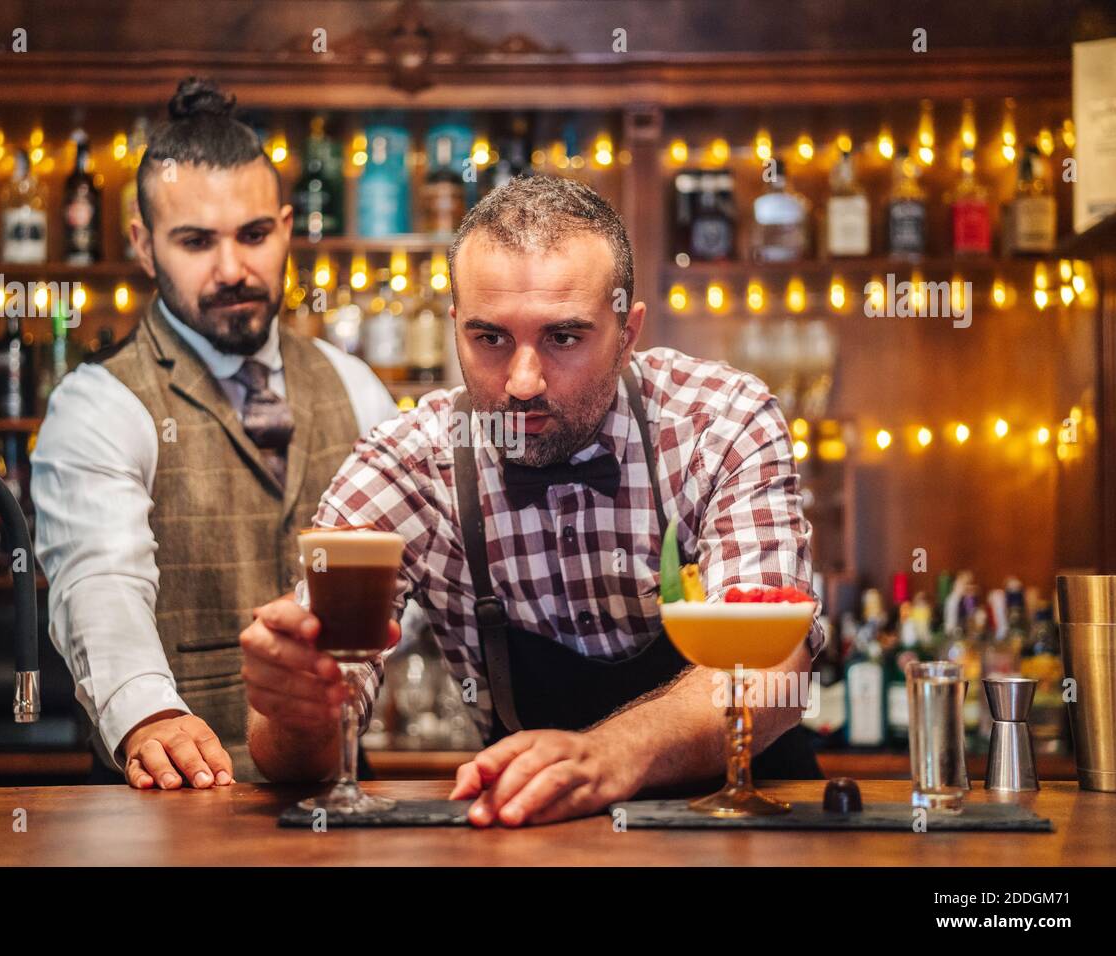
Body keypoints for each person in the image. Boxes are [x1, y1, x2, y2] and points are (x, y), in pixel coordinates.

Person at [241, 174, 824, 825]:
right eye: (490, 339)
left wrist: (609, 755)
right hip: (531, 828)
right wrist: (292, 710)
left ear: (627, 333)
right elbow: (295, 754)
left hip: (748, 819)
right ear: (455, 327)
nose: (522, 382)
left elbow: (775, 670)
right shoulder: (407, 464)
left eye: (563, 338)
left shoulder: (719, 421)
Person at [31, 78, 396, 787]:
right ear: (143, 246)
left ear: (287, 228)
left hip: (342, 798)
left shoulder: (355, 387)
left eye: (254, 235)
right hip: (170, 804)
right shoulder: (99, 404)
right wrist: (146, 715)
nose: (233, 269)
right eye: (196, 242)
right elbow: (99, 578)